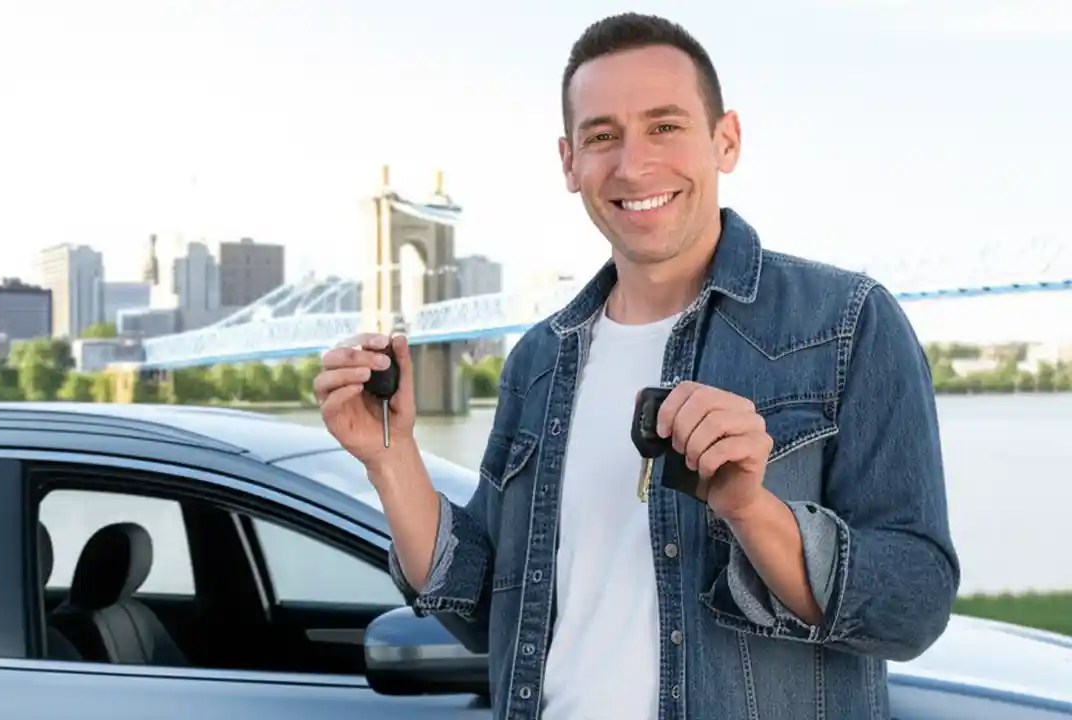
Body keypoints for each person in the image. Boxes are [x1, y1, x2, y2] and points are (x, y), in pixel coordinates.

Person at [315, 12, 959, 720]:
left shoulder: (846, 323)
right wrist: (390, 458)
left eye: (664, 126)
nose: (632, 164)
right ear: (569, 162)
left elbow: (914, 606)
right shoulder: (537, 360)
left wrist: (751, 508)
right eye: (602, 137)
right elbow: (483, 610)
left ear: (727, 140)